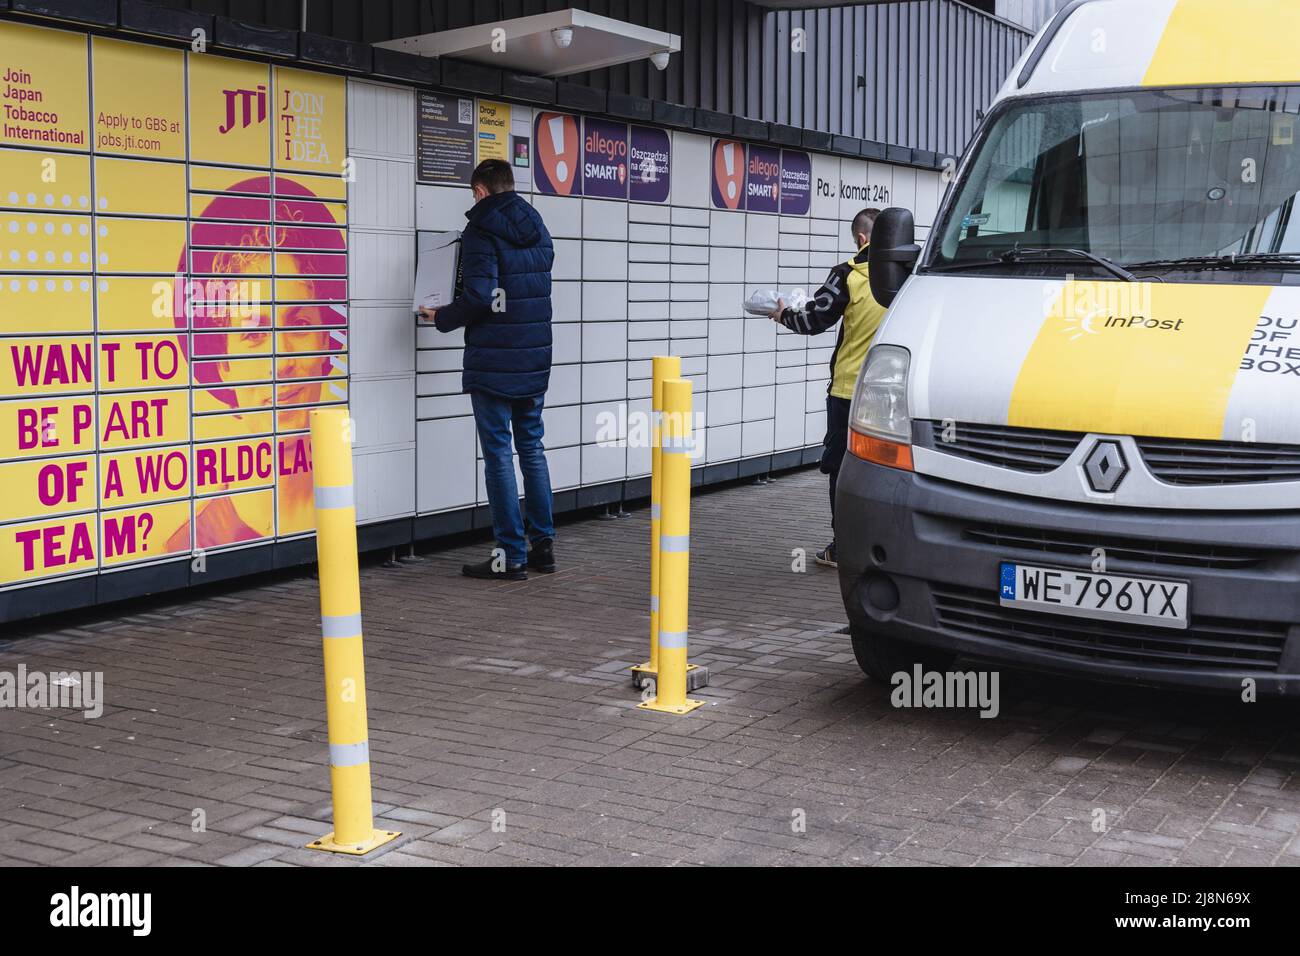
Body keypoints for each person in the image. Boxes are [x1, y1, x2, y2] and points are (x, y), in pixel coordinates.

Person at [419, 159, 556, 581]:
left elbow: (480, 296)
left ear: (480, 191)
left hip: (495, 359)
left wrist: (439, 316)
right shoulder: (537, 224)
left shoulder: (481, 229)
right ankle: (543, 547)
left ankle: (510, 555)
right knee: (531, 447)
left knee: (498, 453)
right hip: (533, 356)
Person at [768, 207, 885, 569]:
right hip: (894, 398)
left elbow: (815, 318)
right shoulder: (914, 275)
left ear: (862, 239)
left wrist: (783, 313)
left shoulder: (848, 275)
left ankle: (844, 547)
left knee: (841, 468)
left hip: (849, 393)